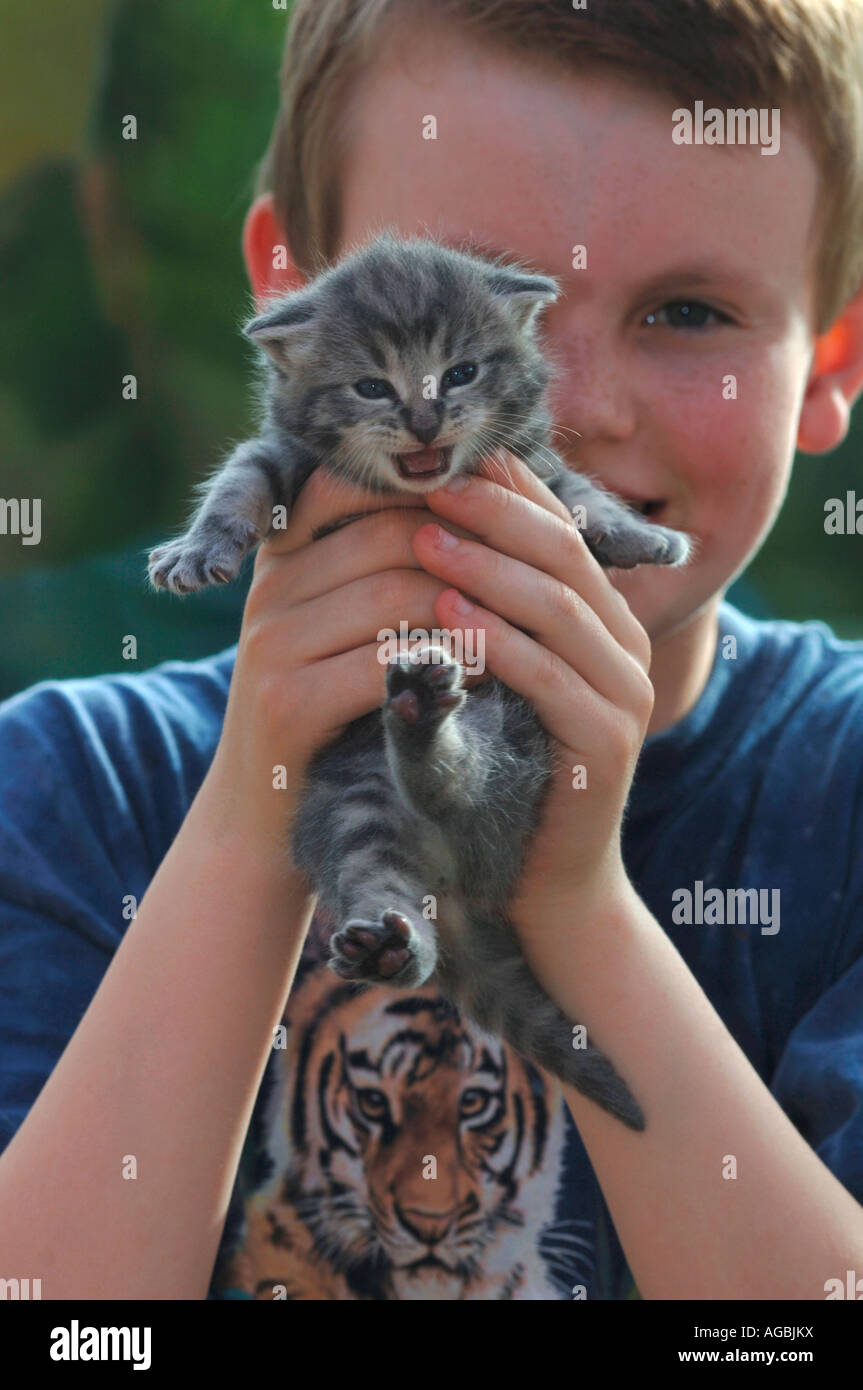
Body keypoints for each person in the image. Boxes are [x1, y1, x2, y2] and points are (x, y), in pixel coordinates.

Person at [2, 0, 863, 1301]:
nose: (568, 408)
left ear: (830, 358)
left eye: (687, 312)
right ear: (296, 306)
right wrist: (250, 826)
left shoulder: (840, 796)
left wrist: (577, 902)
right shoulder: (72, 789)